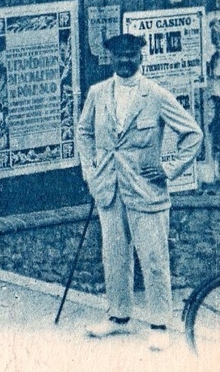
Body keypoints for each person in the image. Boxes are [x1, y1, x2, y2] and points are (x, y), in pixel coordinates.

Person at [77, 32, 202, 351]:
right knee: (114, 255)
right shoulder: (98, 92)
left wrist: (169, 167)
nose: (125, 60)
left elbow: (192, 134)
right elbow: (84, 132)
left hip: (147, 190)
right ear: (111, 58)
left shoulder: (156, 95)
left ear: (140, 57)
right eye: (119, 56)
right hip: (109, 189)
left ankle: (160, 323)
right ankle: (119, 317)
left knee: (153, 257)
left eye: (131, 55)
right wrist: (91, 172)